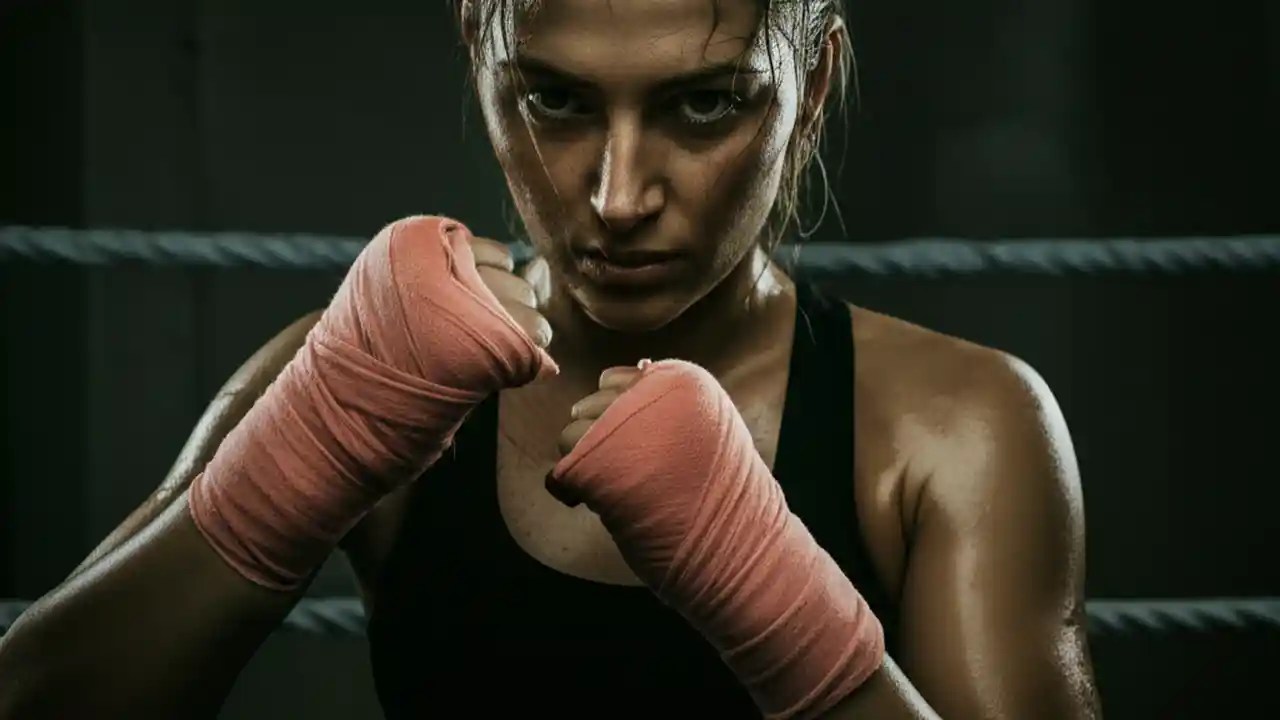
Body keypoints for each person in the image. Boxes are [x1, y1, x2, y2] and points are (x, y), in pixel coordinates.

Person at [0, 0, 1101, 718]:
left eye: (704, 104)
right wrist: (316, 438)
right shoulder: (363, 376)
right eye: (556, 100)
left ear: (810, 88)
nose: (617, 197)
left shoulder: (950, 429)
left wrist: (779, 602)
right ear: (477, 56)